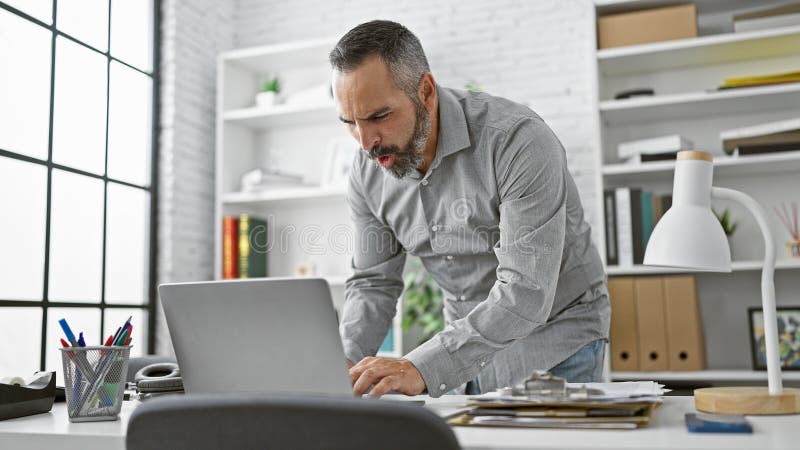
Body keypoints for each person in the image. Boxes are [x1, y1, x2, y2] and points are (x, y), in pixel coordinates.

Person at [330, 20, 609, 398]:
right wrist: (343, 361)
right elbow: (373, 282)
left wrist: (421, 366)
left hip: (555, 339)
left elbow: (526, 290)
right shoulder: (367, 171)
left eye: (379, 116)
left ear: (425, 91)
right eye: (351, 123)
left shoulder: (517, 140)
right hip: (462, 347)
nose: (365, 142)